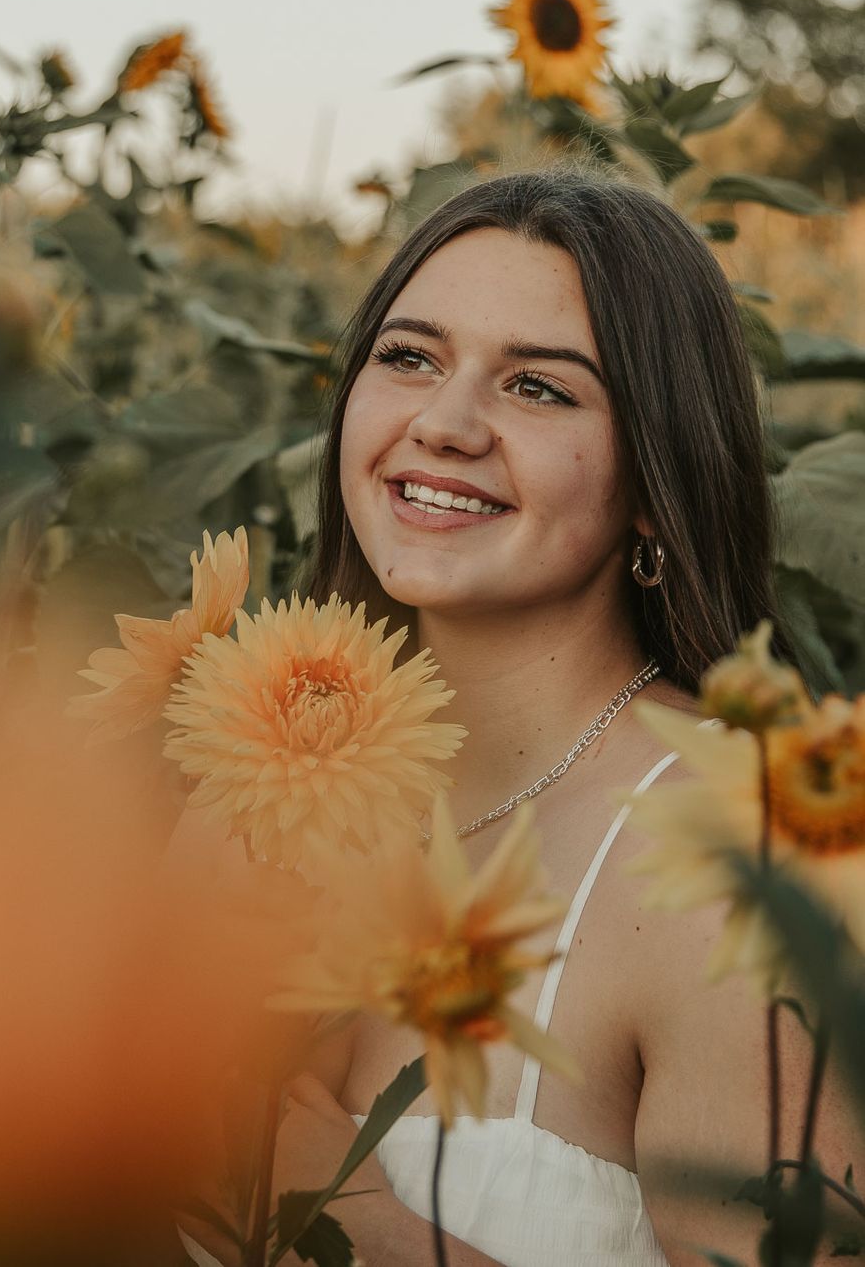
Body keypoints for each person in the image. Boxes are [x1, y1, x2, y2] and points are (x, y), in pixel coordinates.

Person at [183, 168, 861, 1266]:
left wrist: (363, 1230)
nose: (442, 424)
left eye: (537, 388)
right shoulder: (251, 794)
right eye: (409, 358)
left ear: (657, 475)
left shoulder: (738, 855)